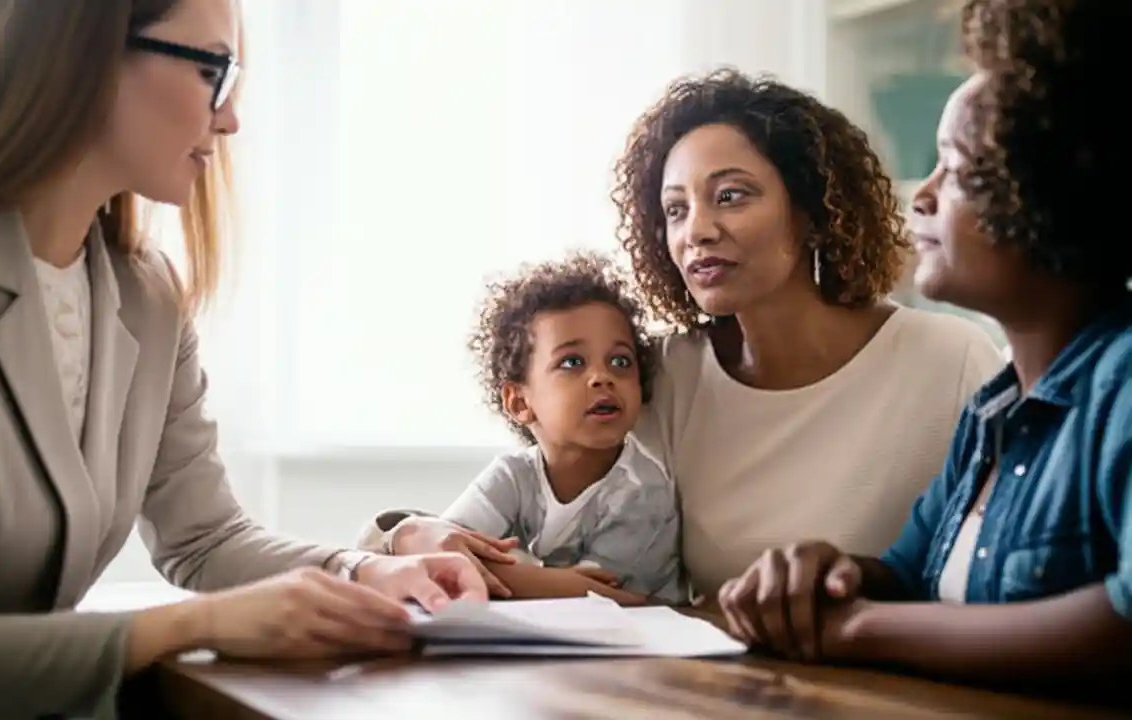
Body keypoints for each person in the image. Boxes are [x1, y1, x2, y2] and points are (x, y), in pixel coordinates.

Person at [0, 2, 483, 719]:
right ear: (82, 57)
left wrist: (364, 571)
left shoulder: (144, 294)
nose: (231, 116)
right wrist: (201, 623)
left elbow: (206, 536)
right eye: (213, 69)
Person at [359, 69, 1002, 602]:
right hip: (709, 685)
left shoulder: (947, 361)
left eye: (729, 196)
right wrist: (404, 534)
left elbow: (990, 582)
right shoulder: (666, 374)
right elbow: (528, 490)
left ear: (810, 211)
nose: (696, 230)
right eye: (675, 209)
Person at [717, 0, 1132, 690]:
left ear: (1054, 194)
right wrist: (830, 575)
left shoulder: (1123, 384)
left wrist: (857, 630)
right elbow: (909, 576)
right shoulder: (990, 415)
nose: (924, 195)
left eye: (957, 167)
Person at [439, 253, 684, 604]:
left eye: (620, 362)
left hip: (646, 646)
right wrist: (550, 581)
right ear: (520, 402)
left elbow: (601, 599)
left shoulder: (641, 491)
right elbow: (443, 553)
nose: (602, 377)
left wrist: (486, 570)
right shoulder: (513, 477)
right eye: (572, 362)